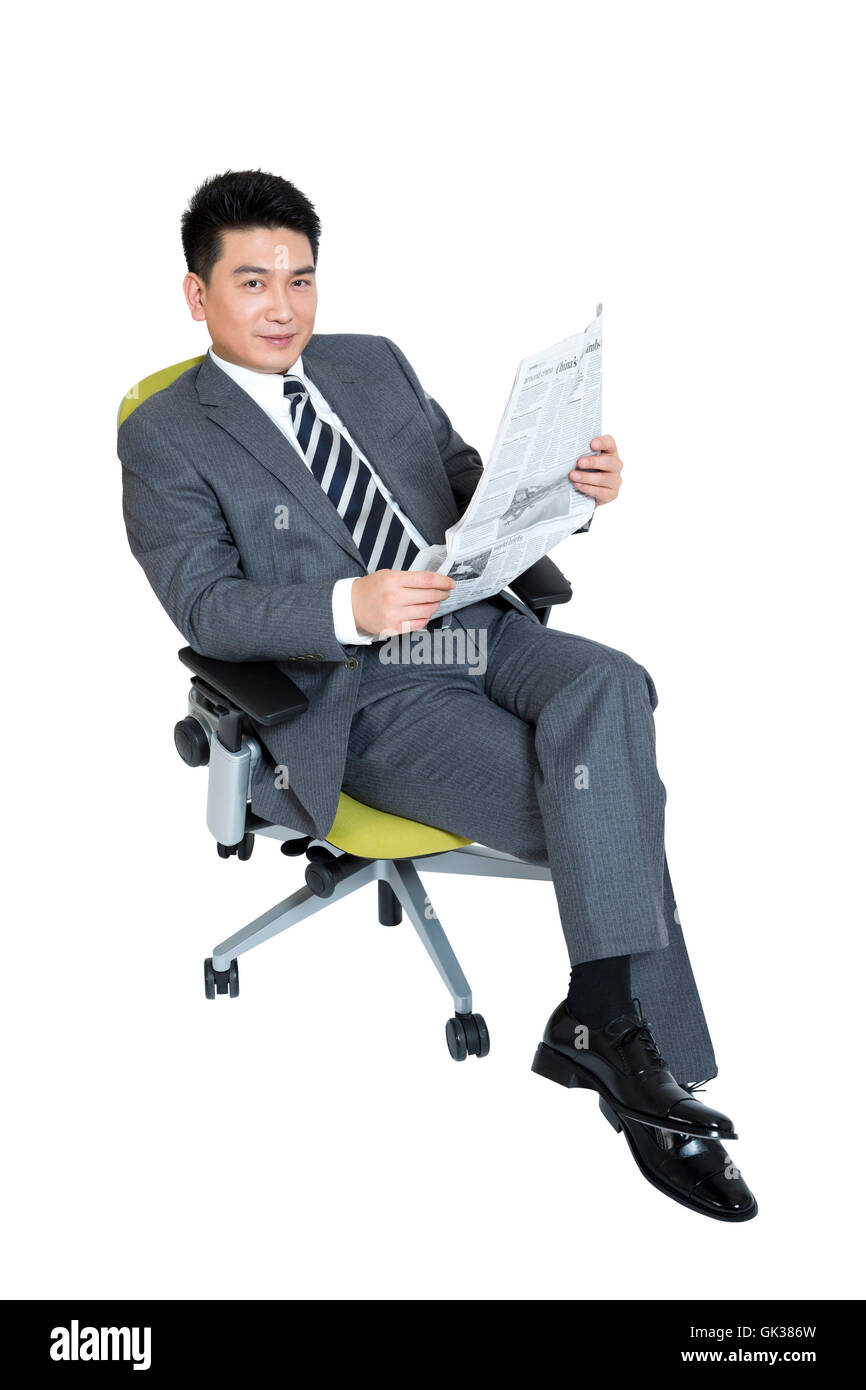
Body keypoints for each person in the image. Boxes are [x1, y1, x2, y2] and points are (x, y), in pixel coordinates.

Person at [118, 169, 757, 1221]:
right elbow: (204, 606)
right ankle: (656, 1088)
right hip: (362, 687)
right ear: (198, 294)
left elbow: (469, 485)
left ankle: (598, 1022)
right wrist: (345, 607)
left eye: (301, 280)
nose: (283, 308)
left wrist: (567, 490)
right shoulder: (164, 435)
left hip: (481, 624)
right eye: (252, 283)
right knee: (606, 798)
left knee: (612, 683)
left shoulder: (371, 363)